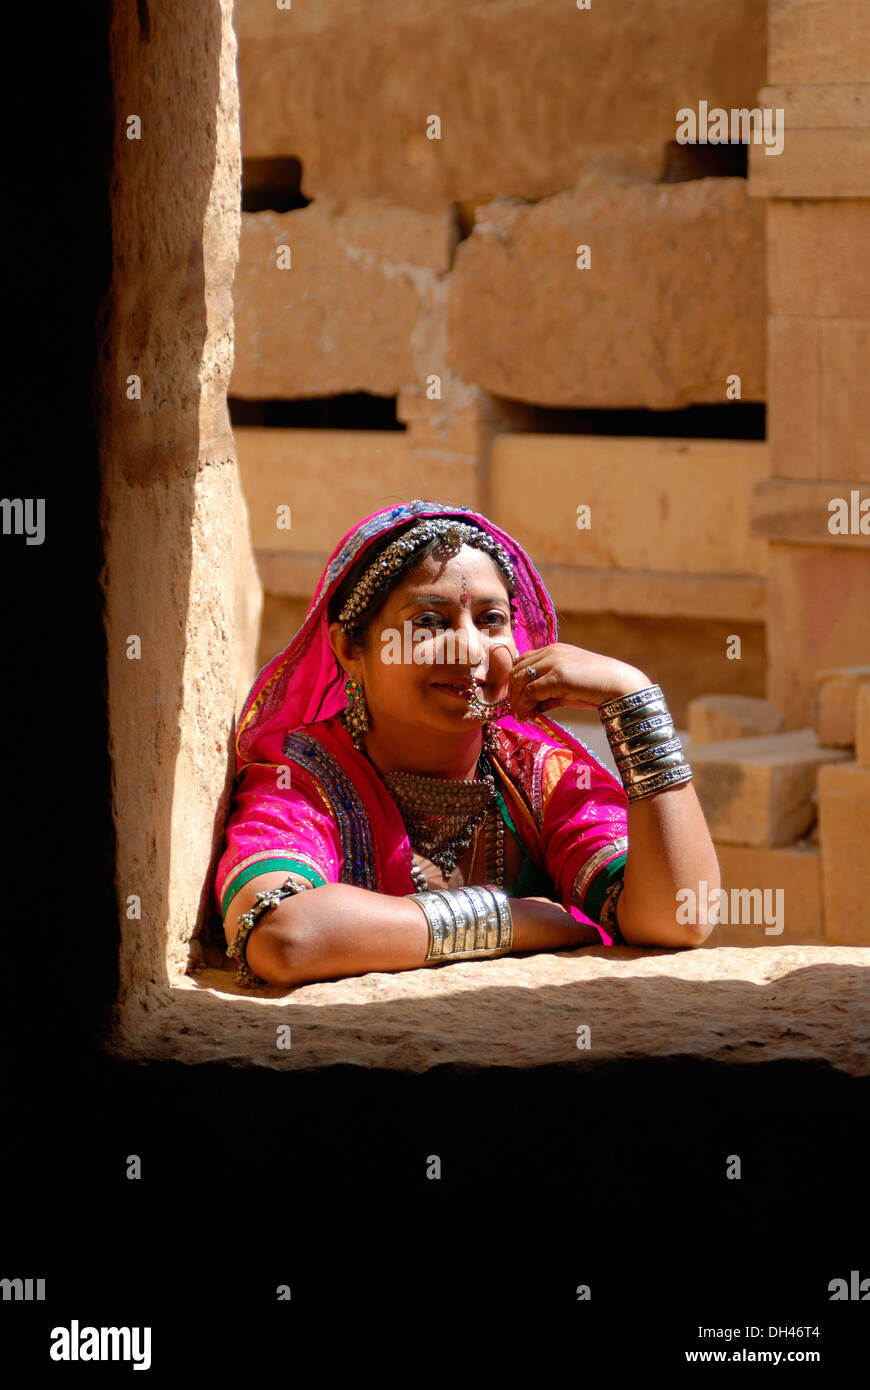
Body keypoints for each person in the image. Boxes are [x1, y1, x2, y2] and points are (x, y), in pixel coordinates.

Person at [215, 498, 720, 988]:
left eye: (490, 620)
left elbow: (681, 917)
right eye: (429, 623)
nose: (469, 649)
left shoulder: (538, 777)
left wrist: (635, 704)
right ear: (350, 649)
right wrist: (517, 920)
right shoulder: (299, 777)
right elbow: (285, 936)